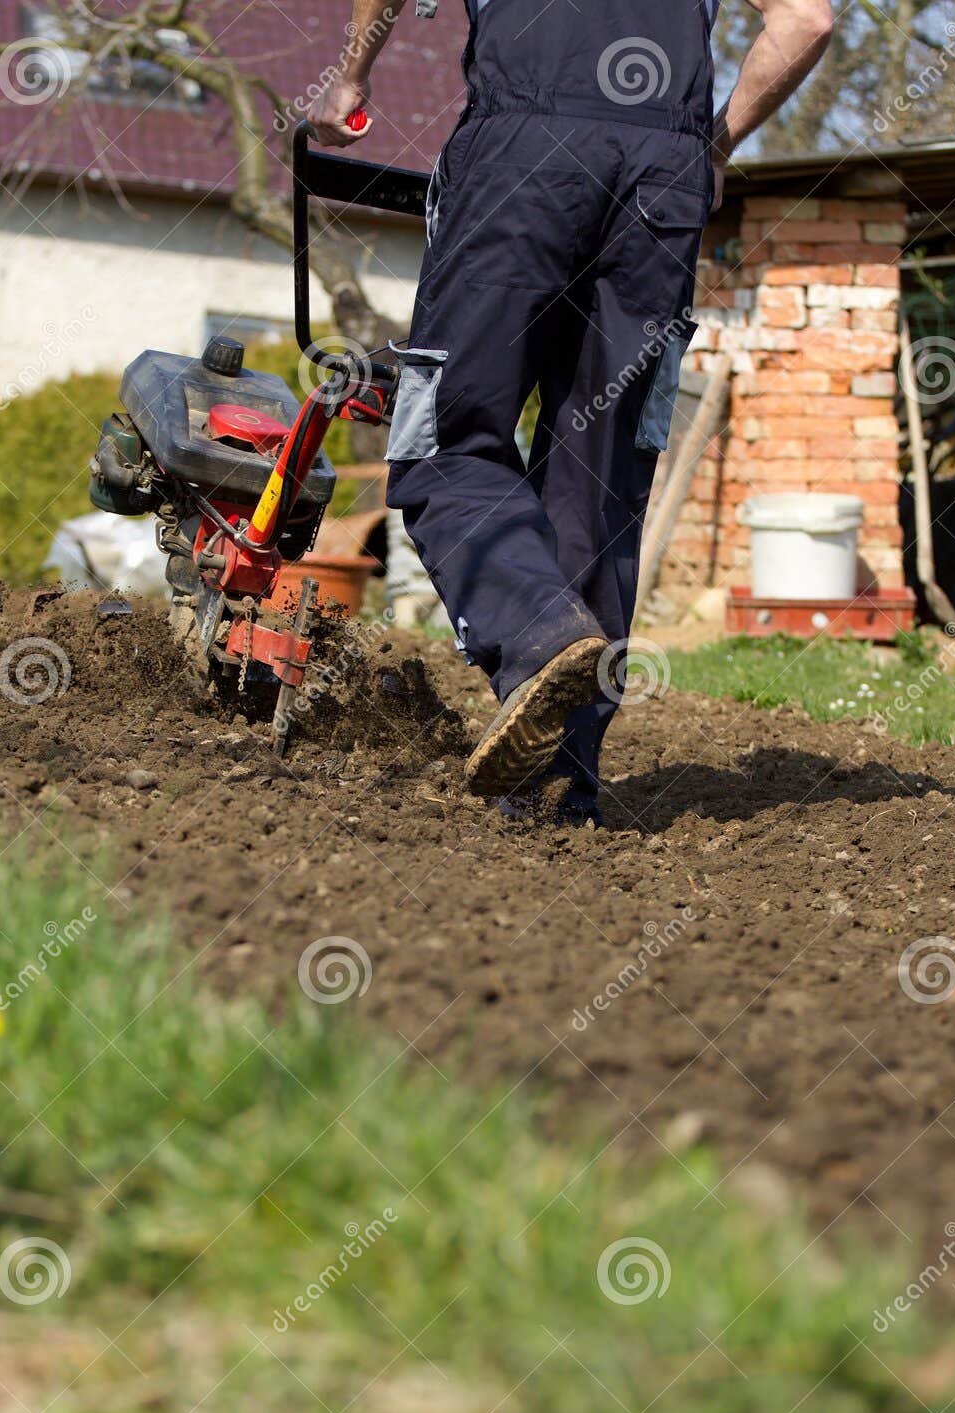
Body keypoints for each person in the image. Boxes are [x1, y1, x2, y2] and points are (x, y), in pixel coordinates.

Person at [309, 0, 833, 822]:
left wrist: (351, 73)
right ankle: (557, 781)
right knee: (600, 469)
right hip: (664, 177)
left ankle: (534, 632)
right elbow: (805, 21)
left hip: (519, 158)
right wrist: (714, 145)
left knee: (445, 439)